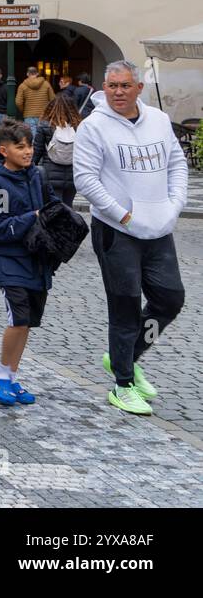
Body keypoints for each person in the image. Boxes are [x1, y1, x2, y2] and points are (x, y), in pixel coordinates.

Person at [73, 61, 187, 416]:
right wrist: (122, 214)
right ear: (104, 88)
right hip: (117, 230)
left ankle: (127, 356)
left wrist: (174, 205)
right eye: (112, 86)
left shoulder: (159, 120)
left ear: (139, 88)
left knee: (170, 299)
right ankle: (123, 384)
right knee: (124, 306)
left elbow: (177, 163)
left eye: (125, 86)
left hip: (159, 226)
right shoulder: (93, 126)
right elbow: (85, 179)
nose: (118, 92)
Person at [0, 118, 56, 406]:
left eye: (30, 146)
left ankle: (12, 374)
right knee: (18, 318)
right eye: (20, 147)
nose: (28, 151)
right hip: (7, 261)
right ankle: (0, 373)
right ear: (3, 150)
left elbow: (50, 206)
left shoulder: (37, 176)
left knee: (28, 322)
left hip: (36, 259)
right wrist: (31, 218)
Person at [33, 95, 81, 207]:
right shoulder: (79, 126)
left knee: (54, 209)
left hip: (50, 175)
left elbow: (37, 151)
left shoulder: (45, 126)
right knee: (68, 208)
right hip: (73, 175)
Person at [15, 66, 55, 131]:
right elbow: (53, 100)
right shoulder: (46, 84)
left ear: (27, 74)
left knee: (31, 138)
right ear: (37, 73)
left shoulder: (22, 86)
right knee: (44, 137)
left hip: (29, 116)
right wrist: (48, 111)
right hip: (44, 115)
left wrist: (24, 110)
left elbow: (18, 102)